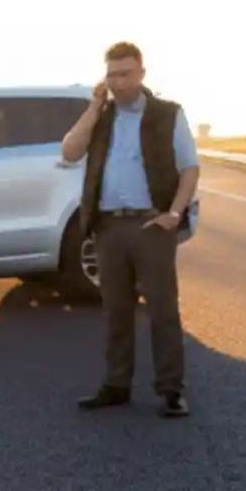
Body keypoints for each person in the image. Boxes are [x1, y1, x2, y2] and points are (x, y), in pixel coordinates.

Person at [60, 41, 200, 418]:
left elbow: (189, 168)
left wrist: (174, 213)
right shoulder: (101, 116)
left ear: (141, 73)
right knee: (115, 310)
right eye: (112, 74)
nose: (119, 82)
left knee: (161, 310)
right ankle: (116, 384)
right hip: (108, 227)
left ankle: (171, 390)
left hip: (150, 223)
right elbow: (69, 152)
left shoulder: (167, 114)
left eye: (125, 73)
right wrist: (93, 107)